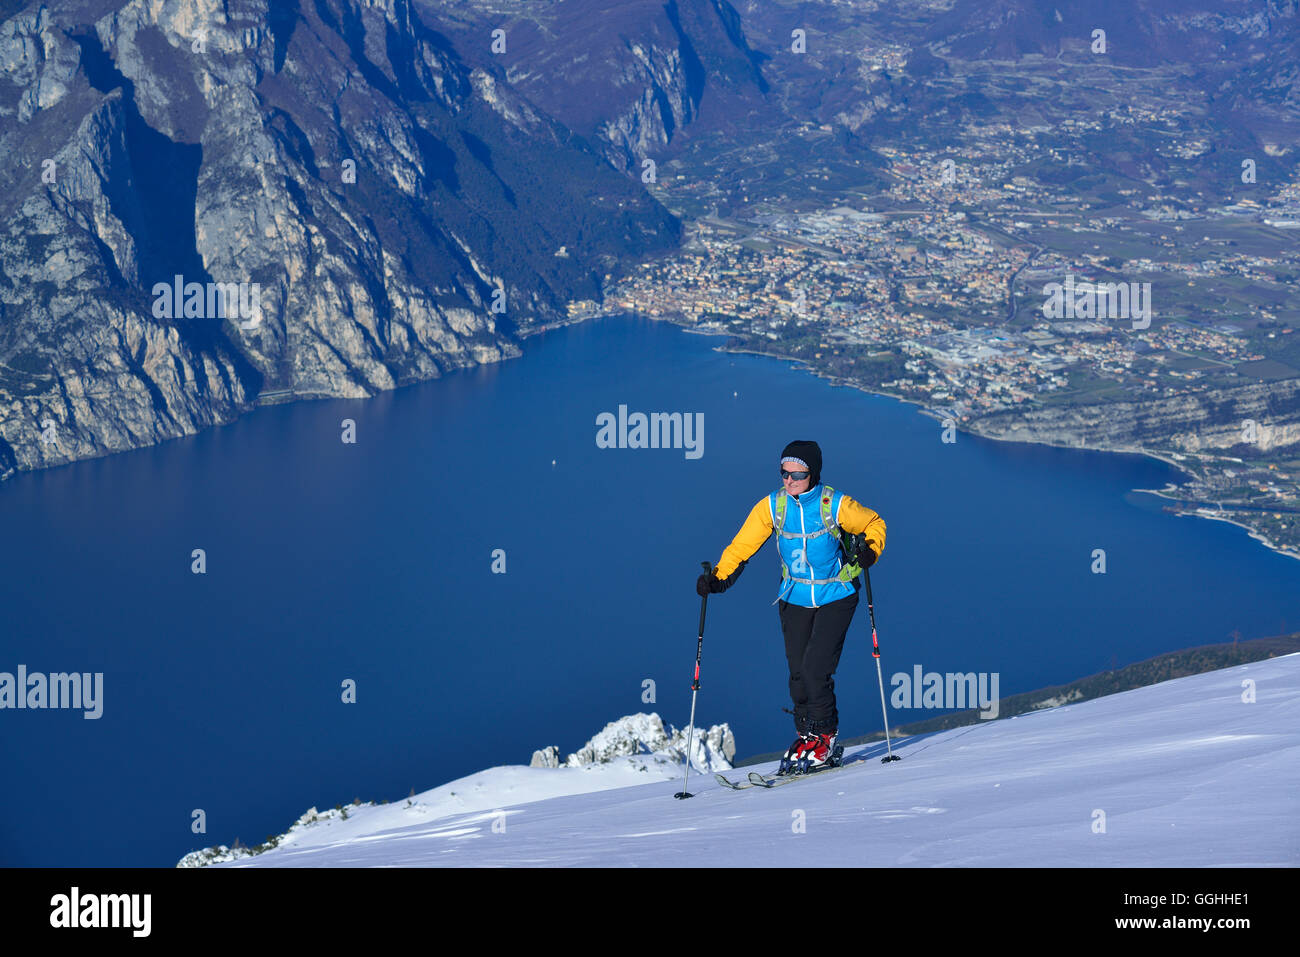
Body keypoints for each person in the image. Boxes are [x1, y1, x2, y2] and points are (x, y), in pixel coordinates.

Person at [695, 440, 886, 770]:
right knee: (797, 675)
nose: (789, 479)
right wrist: (717, 578)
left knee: (816, 670)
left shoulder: (834, 504)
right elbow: (742, 546)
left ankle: (824, 736)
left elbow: (874, 524)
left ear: (813, 473)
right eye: (784, 472)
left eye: (798, 473)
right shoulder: (773, 506)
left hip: (835, 596)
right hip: (793, 598)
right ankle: (806, 735)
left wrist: (869, 551)